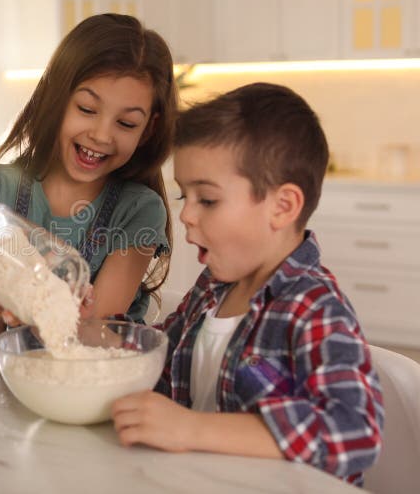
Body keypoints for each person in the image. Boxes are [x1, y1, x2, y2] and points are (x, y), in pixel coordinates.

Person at [111, 82, 384, 486]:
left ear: (282, 207)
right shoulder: (212, 289)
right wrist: (93, 331)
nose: (185, 215)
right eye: (185, 196)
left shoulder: (313, 307)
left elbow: (353, 430)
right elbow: (158, 356)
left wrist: (192, 429)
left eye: (207, 199)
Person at [0, 13, 178, 352]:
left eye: (126, 123)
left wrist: (33, 295)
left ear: (148, 130)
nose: (101, 135)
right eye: (86, 108)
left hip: (99, 379)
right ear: (56, 97)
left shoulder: (138, 210)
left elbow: (89, 332)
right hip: (21, 379)